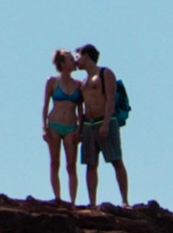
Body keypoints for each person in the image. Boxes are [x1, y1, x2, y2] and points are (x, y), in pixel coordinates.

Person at [74, 43, 132, 209]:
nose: (76, 61)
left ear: (86, 56)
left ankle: (125, 200)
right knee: (91, 164)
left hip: (105, 121)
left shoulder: (105, 73)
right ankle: (92, 203)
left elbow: (111, 99)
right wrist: (79, 129)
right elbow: (82, 106)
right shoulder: (83, 82)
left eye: (78, 57)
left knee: (116, 160)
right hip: (88, 124)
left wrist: (106, 123)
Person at [39, 48, 84, 203]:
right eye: (71, 59)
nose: (74, 62)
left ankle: (72, 201)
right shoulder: (52, 82)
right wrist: (44, 127)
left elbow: (80, 109)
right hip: (54, 125)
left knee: (71, 165)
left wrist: (80, 129)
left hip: (71, 126)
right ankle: (58, 197)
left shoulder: (79, 85)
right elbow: (45, 105)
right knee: (54, 163)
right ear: (63, 63)